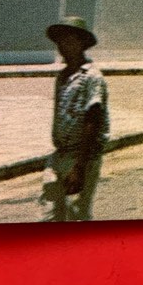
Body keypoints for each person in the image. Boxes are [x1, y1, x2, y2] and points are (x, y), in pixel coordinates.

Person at [41, 16, 109, 222]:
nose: (64, 46)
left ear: (82, 44)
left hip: (82, 158)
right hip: (59, 155)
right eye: (60, 41)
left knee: (75, 215)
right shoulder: (62, 77)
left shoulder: (92, 77)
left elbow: (92, 120)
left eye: (70, 41)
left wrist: (79, 167)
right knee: (48, 215)